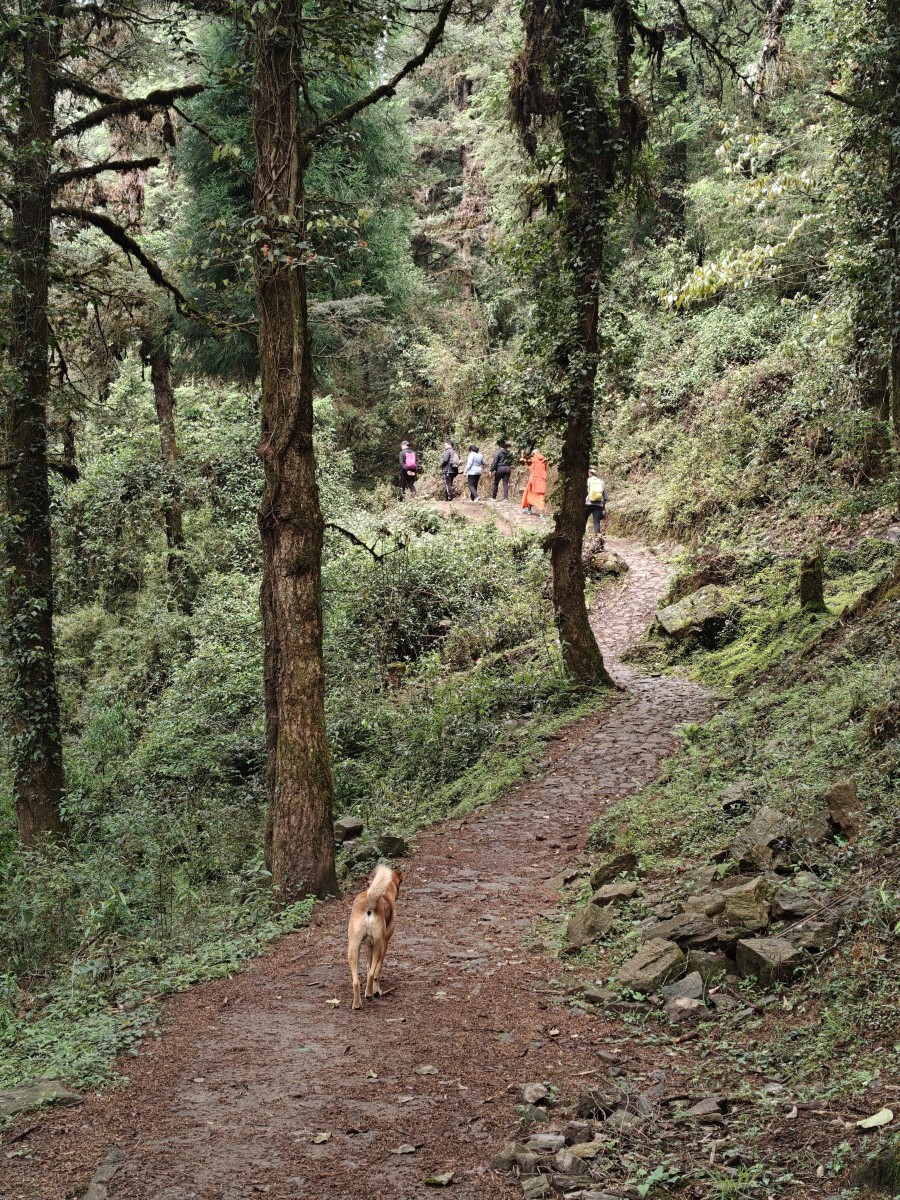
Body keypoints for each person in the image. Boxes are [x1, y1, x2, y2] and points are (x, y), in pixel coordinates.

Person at [521, 448, 547, 516]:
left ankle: (529, 510)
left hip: (534, 480)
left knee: (530, 494)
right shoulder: (544, 459)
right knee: (540, 496)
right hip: (542, 480)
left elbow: (524, 462)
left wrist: (522, 454)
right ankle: (541, 513)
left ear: (533, 454)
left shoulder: (533, 459)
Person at [586, 467, 608, 538]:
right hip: (599, 504)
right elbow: (605, 497)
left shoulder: (588, 480)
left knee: (583, 519)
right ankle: (597, 539)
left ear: (590, 473)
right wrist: (603, 503)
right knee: (596, 522)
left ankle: (581, 537)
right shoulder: (601, 482)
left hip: (588, 504)